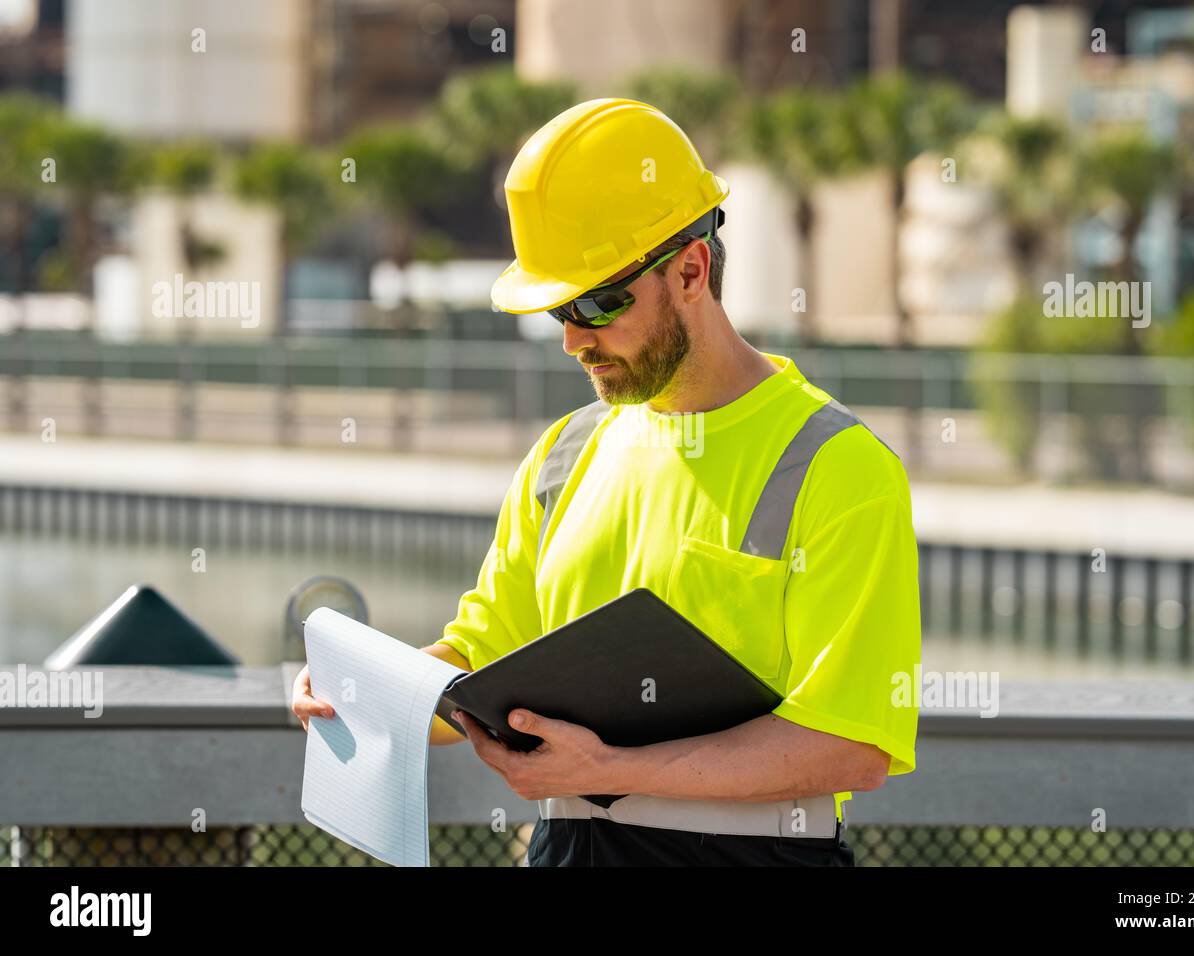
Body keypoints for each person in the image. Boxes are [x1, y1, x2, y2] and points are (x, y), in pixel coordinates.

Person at [294, 98, 922, 867]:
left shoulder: (838, 466)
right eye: (559, 308)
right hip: (565, 850)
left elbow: (853, 743)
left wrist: (614, 772)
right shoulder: (564, 455)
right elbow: (480, 657)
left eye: (596, 303)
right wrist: (367, 690)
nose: (572, 340)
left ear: (691, 268)